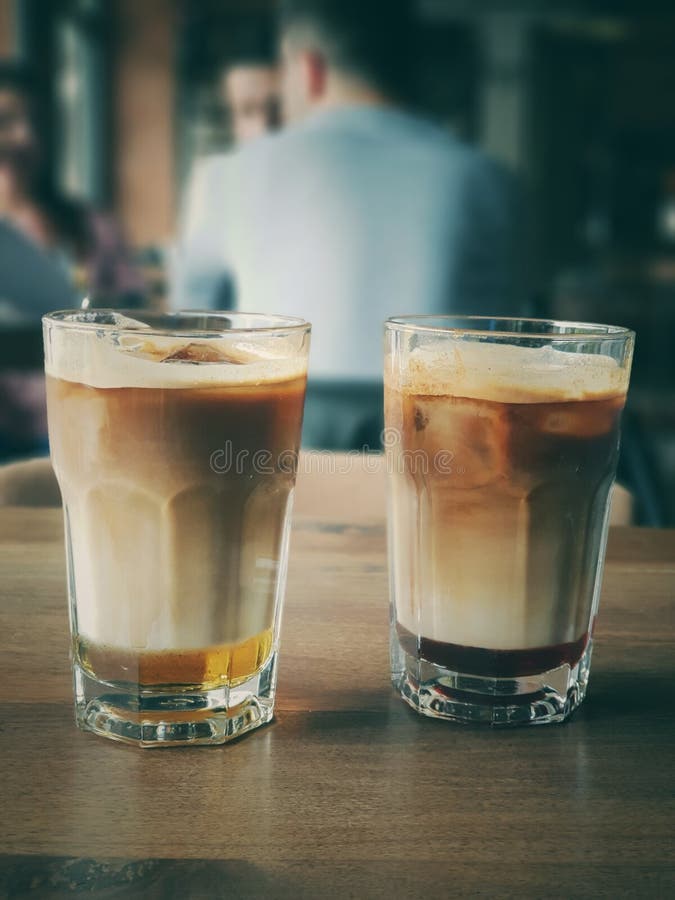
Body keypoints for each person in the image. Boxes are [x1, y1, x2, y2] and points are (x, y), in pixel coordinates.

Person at [175, 0, 524, 448]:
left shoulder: (223, 176)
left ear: (309, 68)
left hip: (268, 457)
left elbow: (187, 335)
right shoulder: (487, 180)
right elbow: (501, 335)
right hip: (440, 462)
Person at [0, 64, 144, 320]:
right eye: (6, 121)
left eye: (36, 122)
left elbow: (137, 311)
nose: (25, 137)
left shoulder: (95, 226)